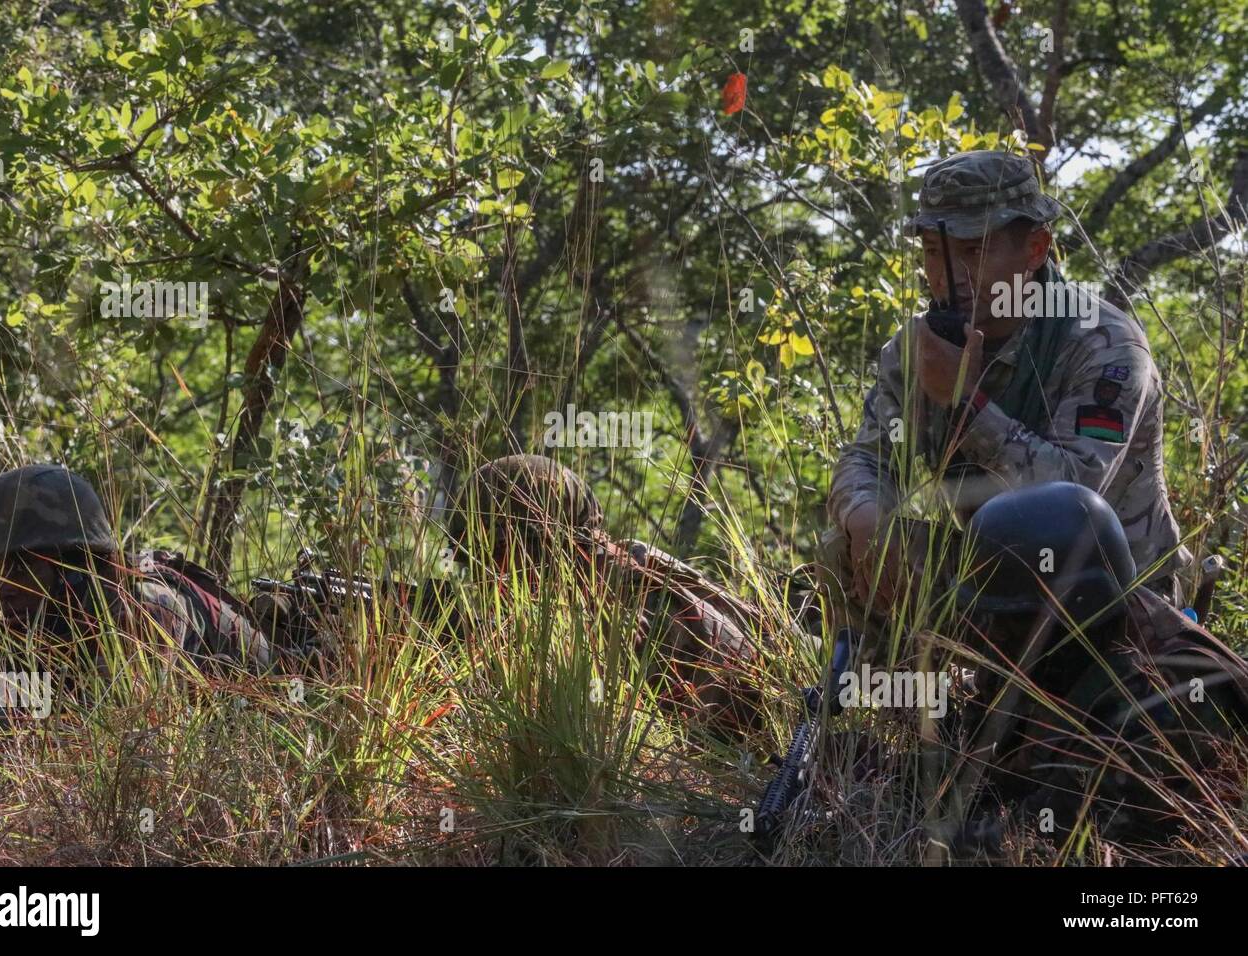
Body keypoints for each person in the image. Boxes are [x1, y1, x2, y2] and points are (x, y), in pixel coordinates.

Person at [824, 150, 1191, 660]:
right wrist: (866, 516)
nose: (947, 275)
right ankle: (907, 721)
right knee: (844, 545)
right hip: (999, 570)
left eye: (973, 252)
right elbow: (868, 457)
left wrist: (968, 406)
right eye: (933, 251)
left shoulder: (1103, 345)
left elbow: (1073, 497)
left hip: (1116, 595)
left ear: (1035, 247)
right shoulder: (922, 346)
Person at [944, 481, 1247, 851]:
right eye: (990, 615)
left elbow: (1039, 841)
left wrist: (930, 837)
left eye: (1014, 618)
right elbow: (978, 763)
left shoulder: (1162, 693)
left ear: (1075, 611)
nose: (994, 634)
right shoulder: (1051, 646)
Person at [446, 454, 783, 735]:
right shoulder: (621, 569)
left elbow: (623, 748)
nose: (490, 581)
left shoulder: (620, 606)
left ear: (541, 548)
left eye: (495, 559)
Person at [0, 464, 270, 696]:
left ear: (76, 565)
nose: (3, 589)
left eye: (20, 569)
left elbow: (115, 723)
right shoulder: (46, 620)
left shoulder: (146, 613)